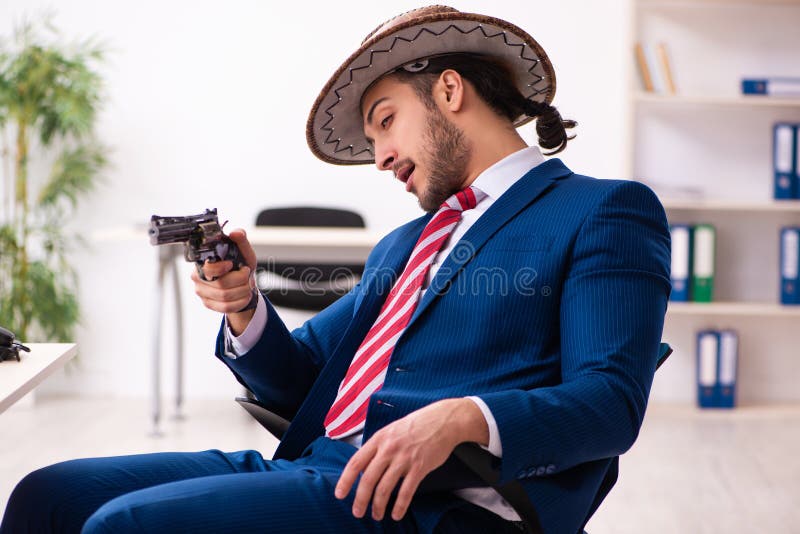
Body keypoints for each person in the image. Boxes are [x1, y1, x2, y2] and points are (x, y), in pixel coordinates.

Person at [1, 5, 670, 534]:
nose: (379, 157)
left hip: (428, 506)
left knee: (123, 526)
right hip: (319, 466)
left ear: (449, 89)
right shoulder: (404, 244)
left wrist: (463, 417)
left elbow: (609, 404)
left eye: (385, 122)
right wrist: (243, 305)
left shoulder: (601, 211)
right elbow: (300, 379)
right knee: (48, 496)